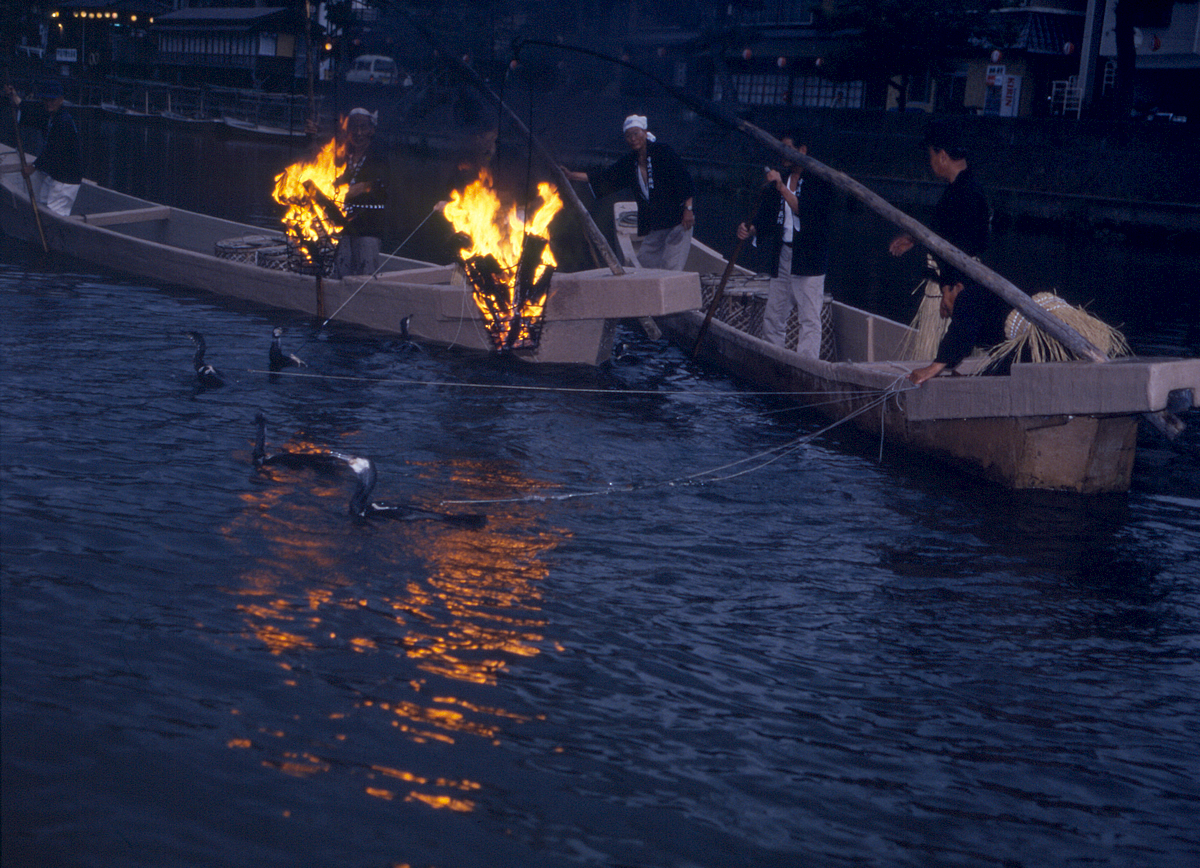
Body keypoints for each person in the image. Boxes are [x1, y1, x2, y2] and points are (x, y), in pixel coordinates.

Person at [736, 132, 832, 358]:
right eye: (780, 148)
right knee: (774, 314)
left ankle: (806, 365)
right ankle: (772, 358)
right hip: (784, 255)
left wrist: (781, 186)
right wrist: (750, 229)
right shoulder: (784, 180)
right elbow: (767, 218)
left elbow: (804, 210)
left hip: (809, 257)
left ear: (802, 151)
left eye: (787, 148)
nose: (782, 154)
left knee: (808, 318)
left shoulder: (820, 180)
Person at [562, 114, 695, 270]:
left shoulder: (663, 152)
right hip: (657, 223)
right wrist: (572, 175)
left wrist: (688, 209)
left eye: (636, 133)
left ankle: (671, 292)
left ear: (645, 132)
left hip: (678, 220)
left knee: (670, 265)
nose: (632, 138)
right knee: (644, 262)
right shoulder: (630, 162)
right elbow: (606, 176)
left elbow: (684, 179)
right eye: (628, 135)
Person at [908, 265, 1010, 385]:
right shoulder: (986, 296)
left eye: (943, 293)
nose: (943, 305)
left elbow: (962, 332)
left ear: (958, 287)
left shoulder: (970, 297)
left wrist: (934, 367)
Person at [4, 79, 83, 217]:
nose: (48, 103)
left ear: (61, 100)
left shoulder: (63, 122)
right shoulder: (51, 117)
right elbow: (33, 117)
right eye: (46, 100)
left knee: (55, 214)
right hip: (55, 174)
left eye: (52, 100)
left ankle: (56, 236)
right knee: (43, 204)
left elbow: (54, 151)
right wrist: (15, 97)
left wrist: (33, 166)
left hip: (66, 179)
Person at [334, 107, 388, 277]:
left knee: (365, 276)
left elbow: (384, 186)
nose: (358, 133)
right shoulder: (340, 154)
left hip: (368, 228)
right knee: (339, 273)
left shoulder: (378, 156)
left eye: (363, 127)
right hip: (341, 228)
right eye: (354, 128)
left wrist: (364, 187)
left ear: (371, 129)